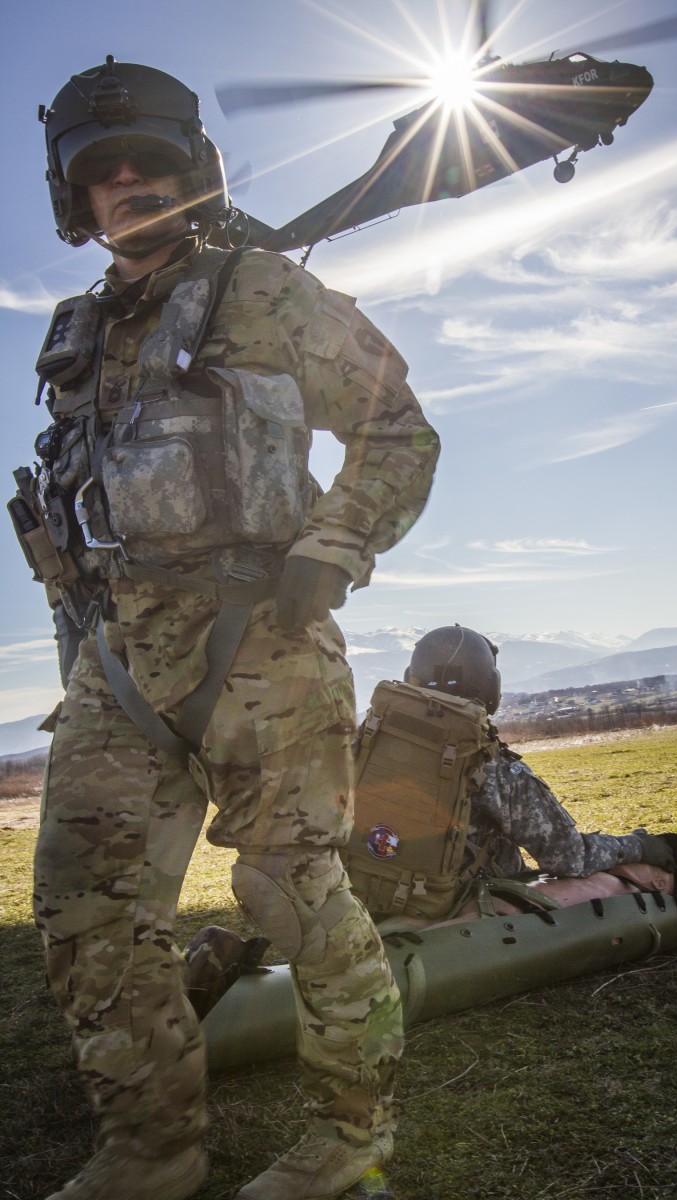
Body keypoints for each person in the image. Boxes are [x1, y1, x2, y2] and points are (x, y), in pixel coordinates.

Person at [20, 57, 439, 1200]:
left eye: (148, 161)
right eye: (98, 171)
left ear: (190, 170)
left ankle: (348, 1139)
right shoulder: (71, 336)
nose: (125, 181)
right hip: (116, 664)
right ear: (74, 200)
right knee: (86, 907)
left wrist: (332, 548)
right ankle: (149, 1153)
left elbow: (398, 434)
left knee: (291, 893)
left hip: (260, 643)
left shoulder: (266, 290)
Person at [360, 625, 675, 921]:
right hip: (458, 908)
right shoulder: (492, 765)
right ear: (488, 687)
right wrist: (638, 846)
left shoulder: (363, 744)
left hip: (364, 901)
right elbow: (568, 857)